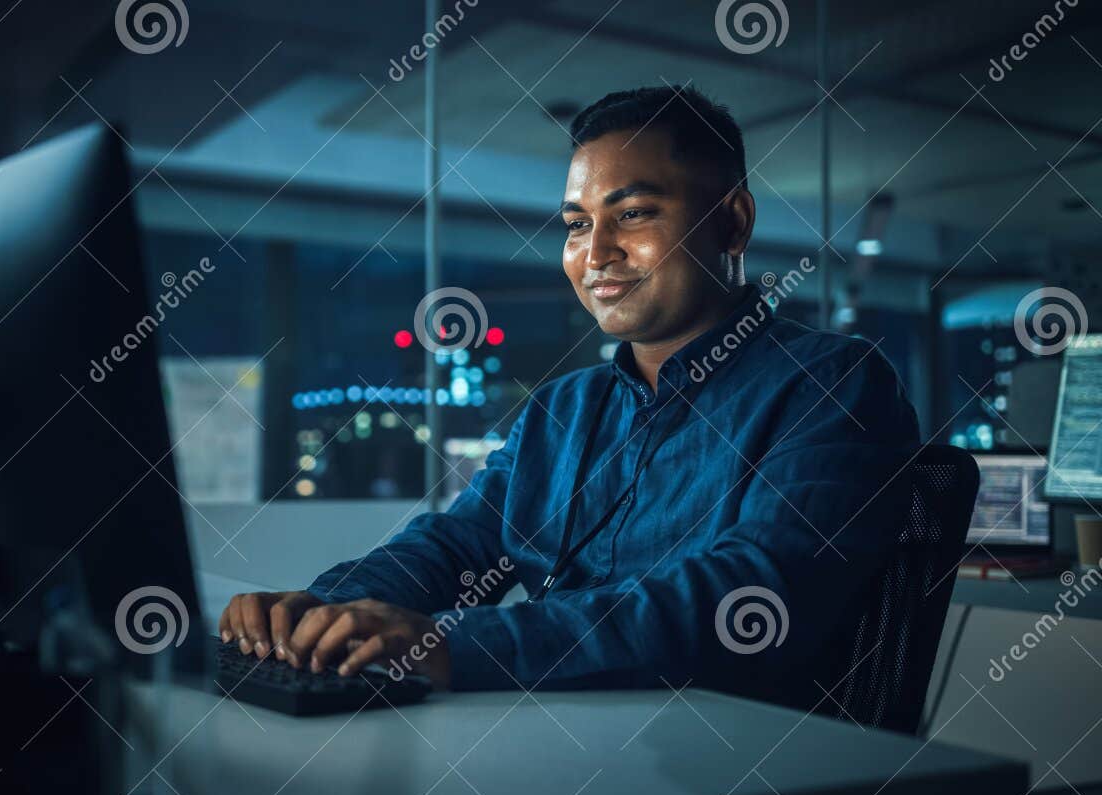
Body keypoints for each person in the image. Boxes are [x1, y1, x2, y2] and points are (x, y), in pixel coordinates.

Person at [218, 85, 919, 710]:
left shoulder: (831, 383)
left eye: (634, 213)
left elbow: (748, 593)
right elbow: (459, 542)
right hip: (564, 739)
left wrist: (453, 644)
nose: (597, 252)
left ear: (732, 223)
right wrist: (324, 611)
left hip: (733, 768)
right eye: (578, 224)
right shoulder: (564, 409)